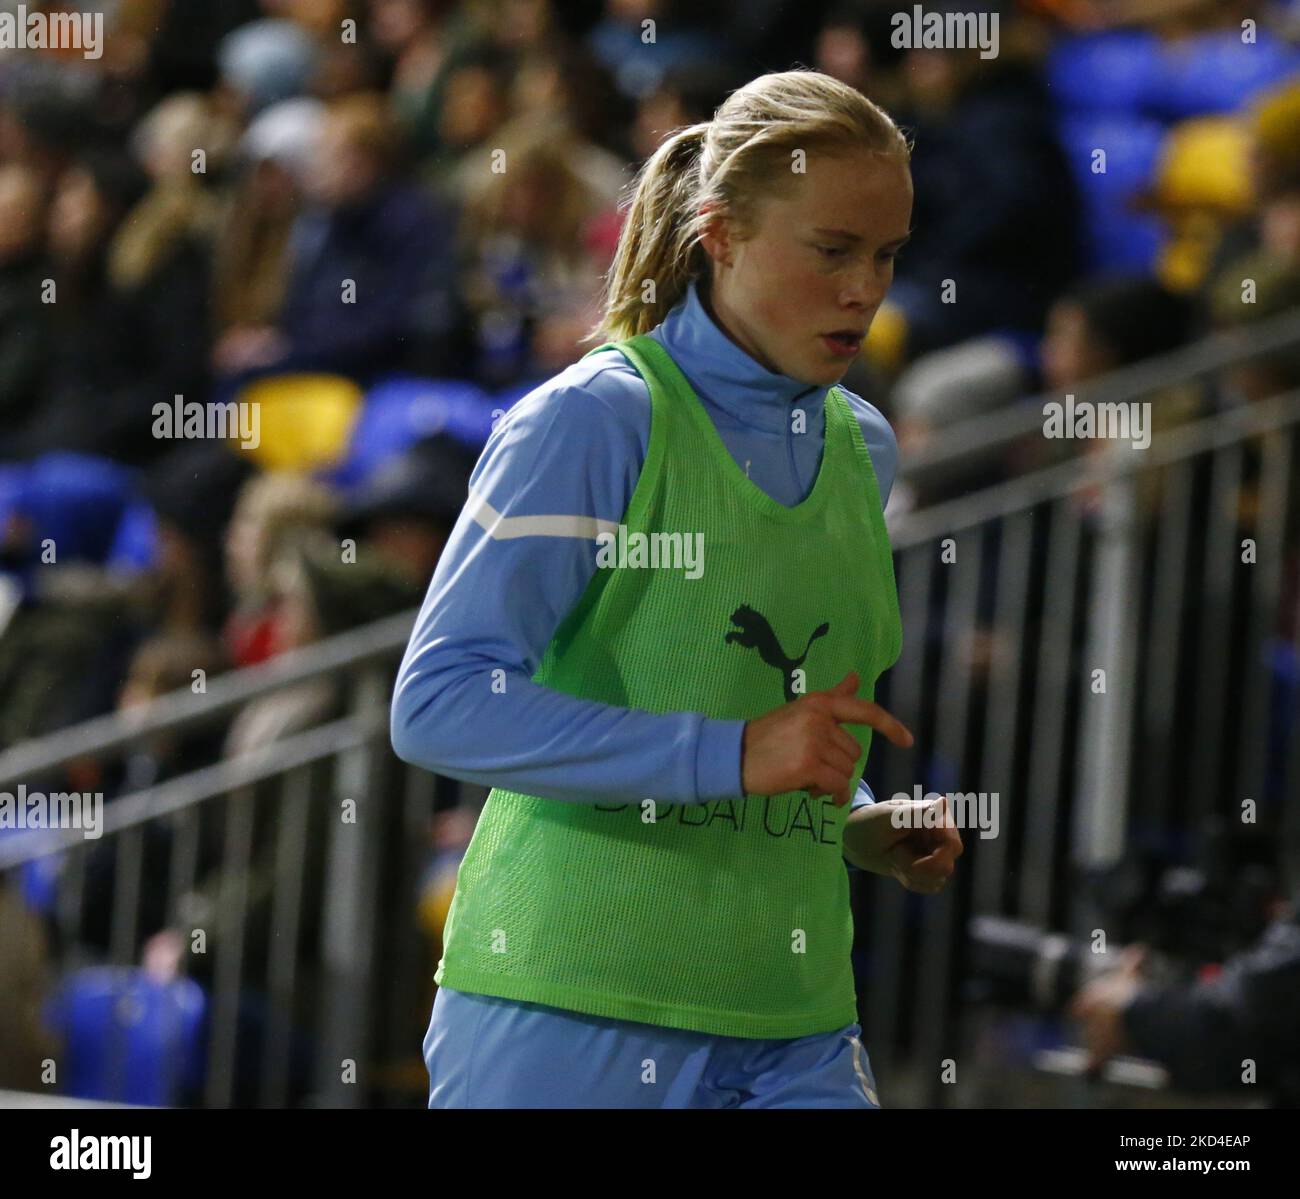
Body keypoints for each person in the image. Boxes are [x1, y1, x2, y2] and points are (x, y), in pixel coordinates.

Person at [392, 68, 963, 1110]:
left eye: (885, 255)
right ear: (722, 234)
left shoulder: (862, 448)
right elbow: (439, 704)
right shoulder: (593, 419)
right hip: (571, 1004)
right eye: (831, 250)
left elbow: (773, 726)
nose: (864, 290)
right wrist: (734, 753)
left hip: (795, 1013)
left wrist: (858, 816)